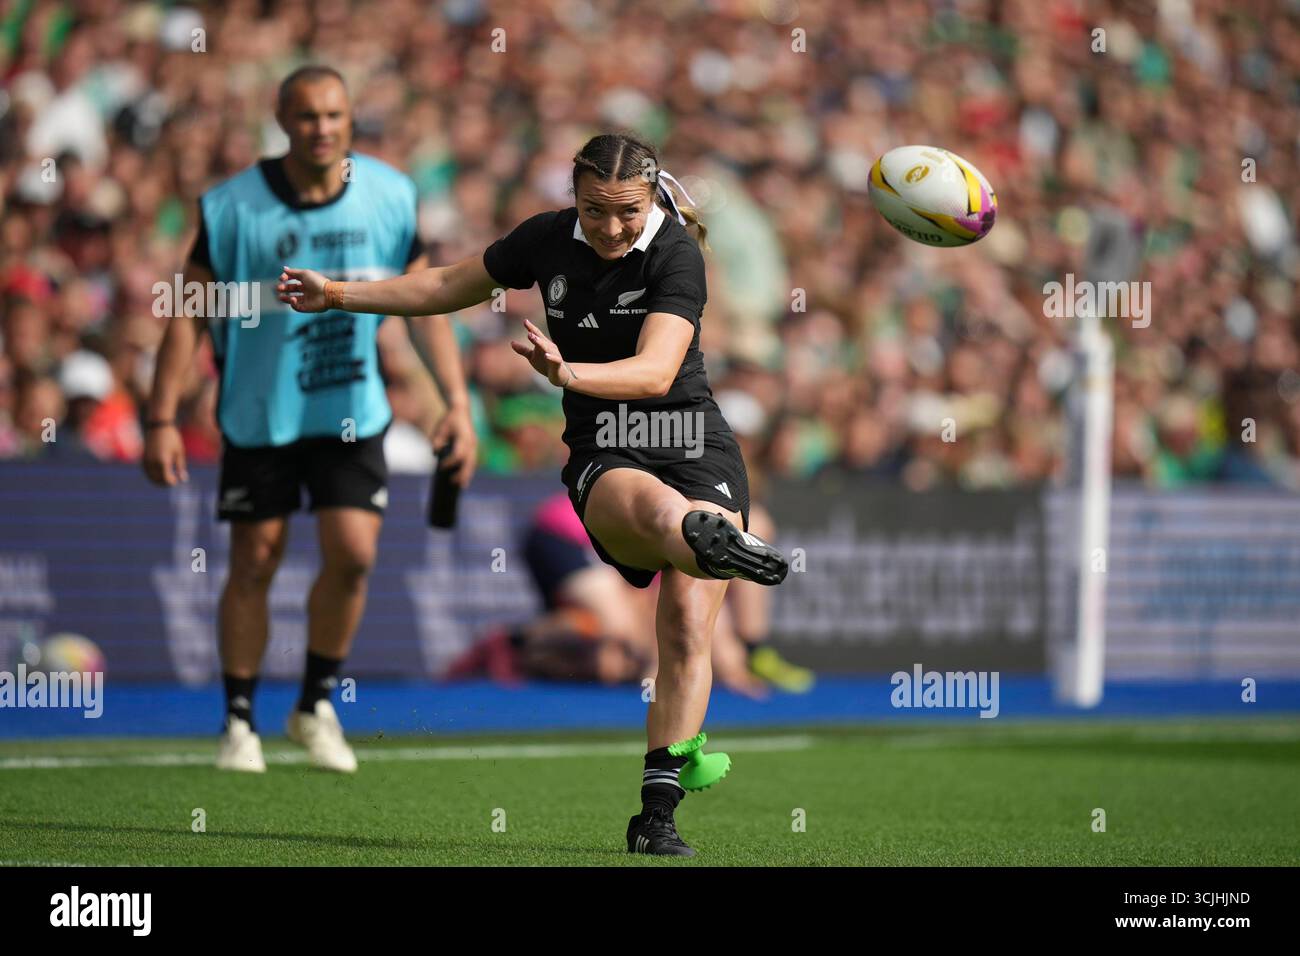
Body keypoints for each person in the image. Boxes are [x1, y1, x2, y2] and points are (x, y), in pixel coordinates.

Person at [278, 131, 788, 856]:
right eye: (595, 209)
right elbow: (445, 285)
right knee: (655, 516)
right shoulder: (546, 240)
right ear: (573, 198)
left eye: (627, 211)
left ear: (651, 199)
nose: (611, 227)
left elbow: (653, 372)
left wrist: (566, 374)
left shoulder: (676, 252)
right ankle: (710, 535)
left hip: (695, 440)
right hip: (605, 446)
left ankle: (657, 816)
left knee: (683, 627)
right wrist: (336, 293)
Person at [143, 66, 477, 773]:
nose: (321, 129)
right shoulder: (232, 207)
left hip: (351, 411)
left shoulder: (389, 194)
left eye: (333, 115)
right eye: (305, 117)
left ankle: (314, 703)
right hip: (261, 413)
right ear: (281, 119)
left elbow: (428, 297)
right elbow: (189, 313)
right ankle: (239, 720)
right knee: (255, 561)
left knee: (354, 554)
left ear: (351, 118)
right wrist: (160, 417)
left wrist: (457, 401)